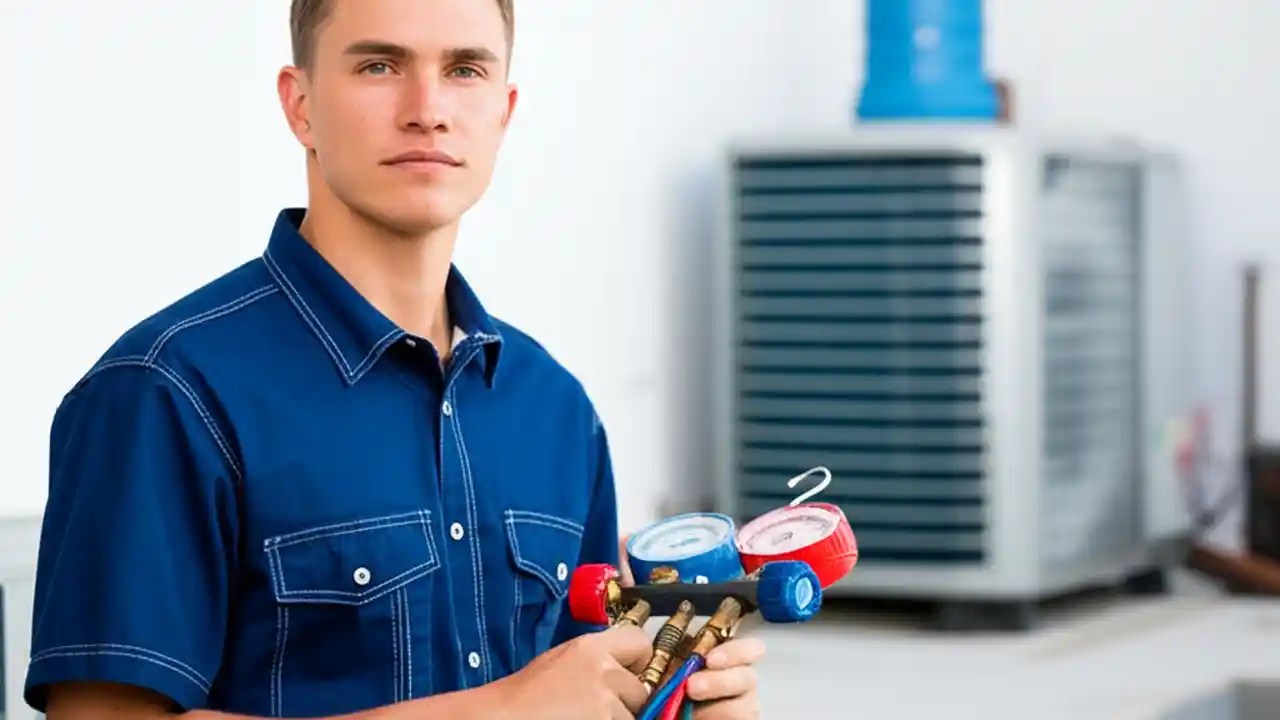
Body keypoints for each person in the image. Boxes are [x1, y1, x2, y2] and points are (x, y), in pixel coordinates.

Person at [23, 1, 764, 718]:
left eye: (465, 69)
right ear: (300, 104)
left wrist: (681, 706)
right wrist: (497, 713)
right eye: (380, 65)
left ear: (503, 112)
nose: (427, 108)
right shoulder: (164, 393)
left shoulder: (554, 410)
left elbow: (588, 692)